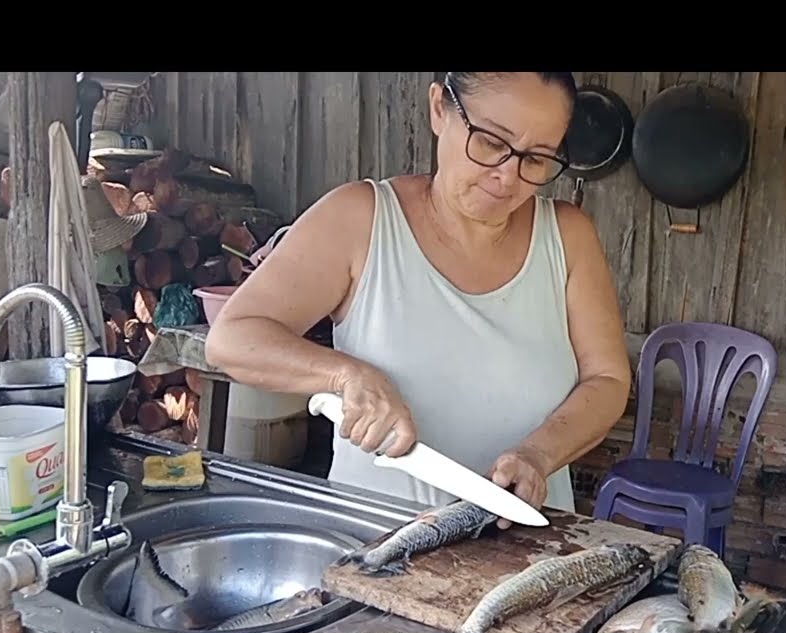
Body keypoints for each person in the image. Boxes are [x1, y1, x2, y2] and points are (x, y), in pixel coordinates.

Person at [204, 72, 631, 528]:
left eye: (537, 159)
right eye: (490, 141)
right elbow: (232, 338)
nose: (508, 176)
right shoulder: (362, 219)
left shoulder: (567, 237)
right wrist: (345, 375)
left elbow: (606, 379)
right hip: (375, 548)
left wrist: (539, 455)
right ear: (438, 109)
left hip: (525, 555)